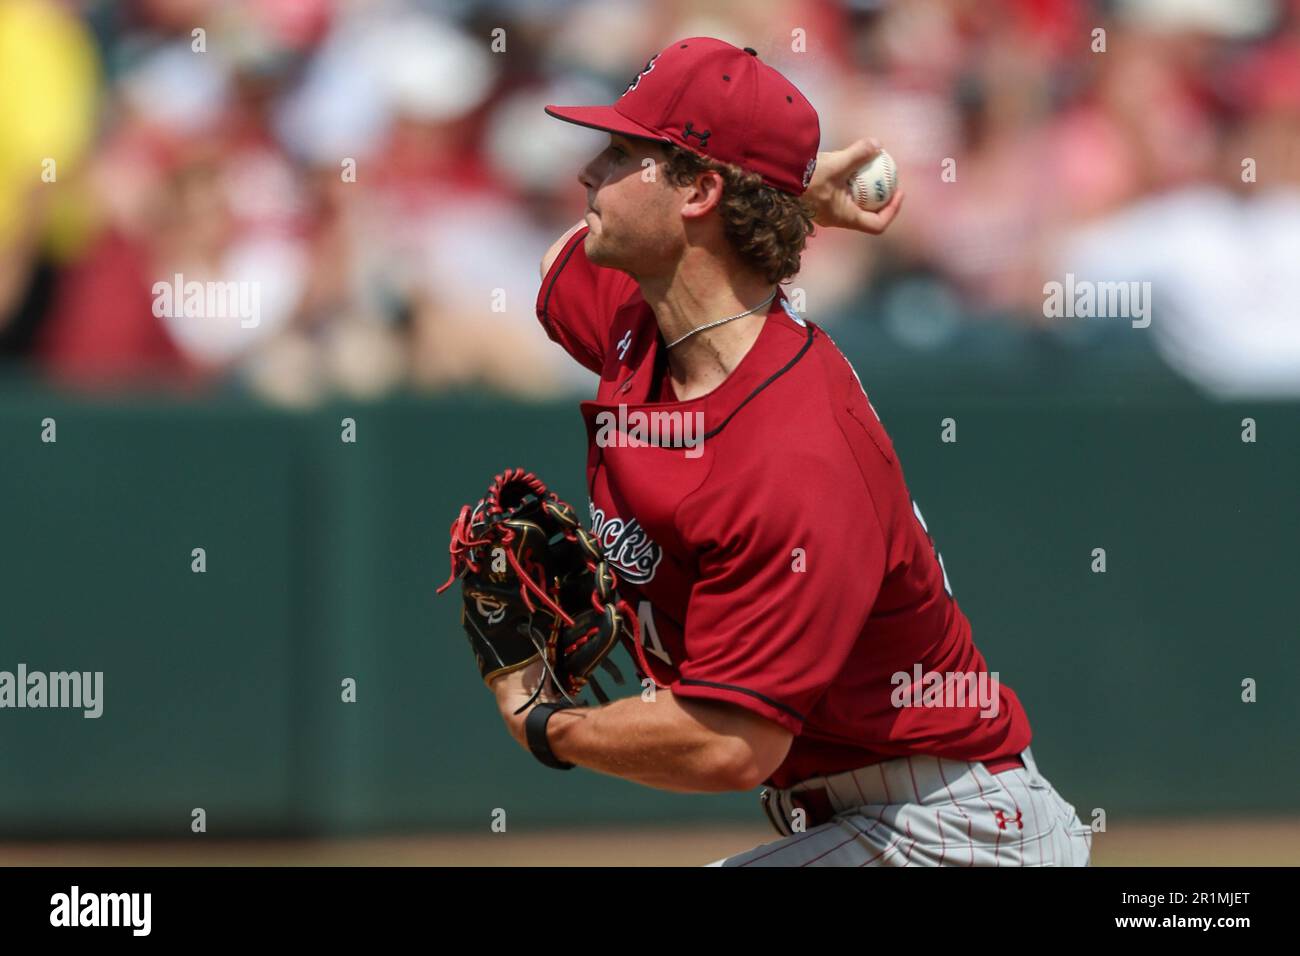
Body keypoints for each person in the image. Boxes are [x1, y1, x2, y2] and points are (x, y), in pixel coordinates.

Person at [489, 36, 1091, 867]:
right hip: (865, 814)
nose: (589, 171)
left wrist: (544, 724)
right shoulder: (641, 320)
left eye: (624, 153)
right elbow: (561, 263)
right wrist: (779, 194)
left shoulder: (794, 449)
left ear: (697, 190)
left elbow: (732, 746)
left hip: (945, 831)